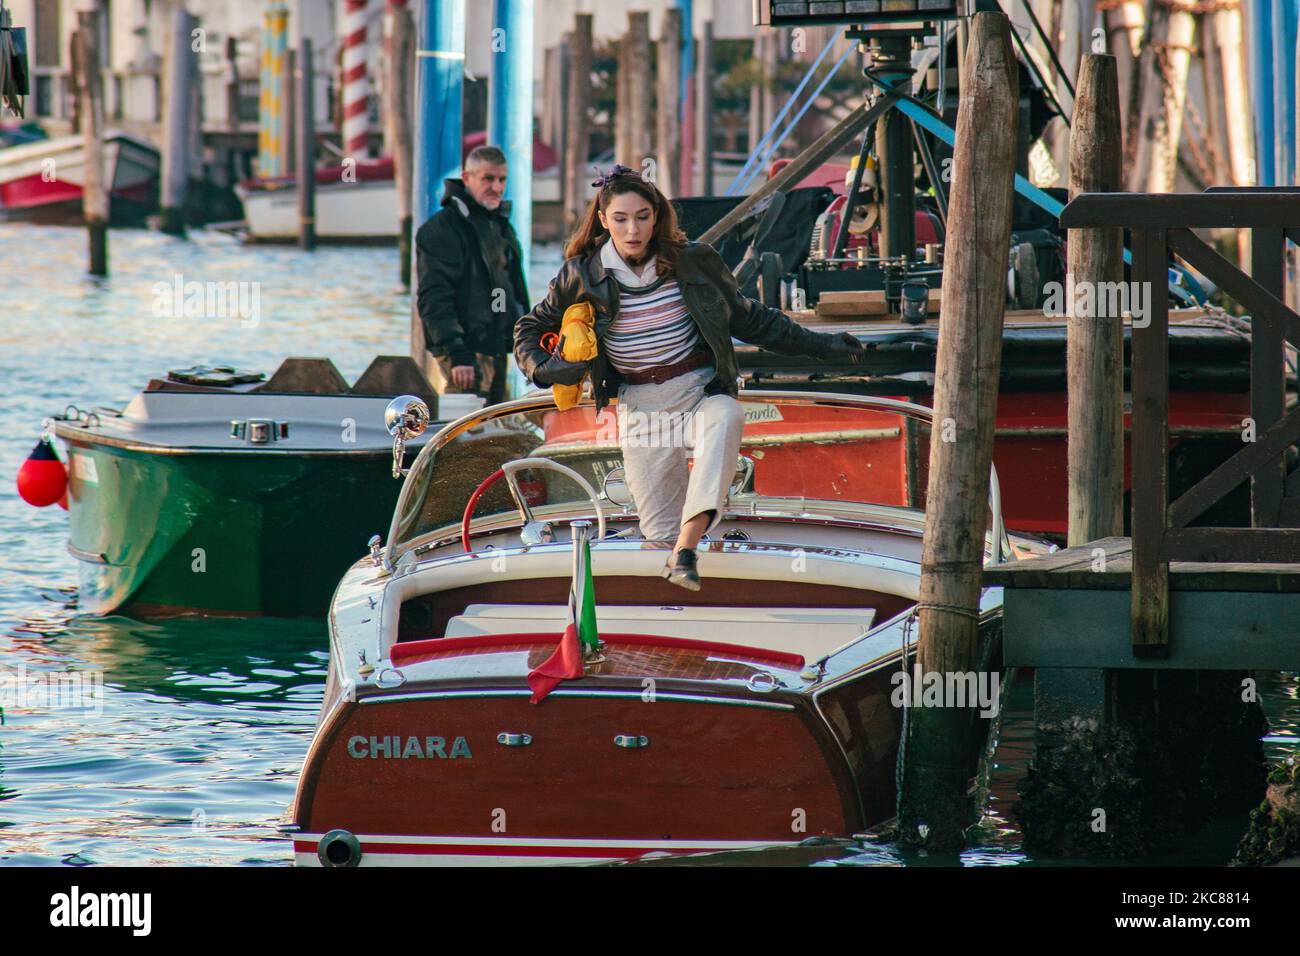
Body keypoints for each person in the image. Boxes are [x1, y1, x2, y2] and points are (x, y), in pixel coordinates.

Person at [515, 165, 865, 590]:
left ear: (657, 216)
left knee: (726, 416)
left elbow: (751, 320)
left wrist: (823, 345)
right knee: (656, 529)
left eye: (643, 217)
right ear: (604, 220)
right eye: (621, 219)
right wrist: (546, 370)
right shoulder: (581, 275)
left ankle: (688, 546)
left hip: (700, 389)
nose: (633, 230)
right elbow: (528, 329)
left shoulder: (693, 261)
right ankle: (675, 583)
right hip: (640, 403)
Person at [415, 145, 530, 405]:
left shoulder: (500, 226)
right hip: (464, 356)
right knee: (464, 433)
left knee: (494, 433)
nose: (497, 187)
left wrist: (527, 340)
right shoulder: (441, 230)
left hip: (497, 350)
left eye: (502, 179)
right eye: (488, 178)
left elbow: (515, 289)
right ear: (467, 178)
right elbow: (434, 298)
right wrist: (457, 353)